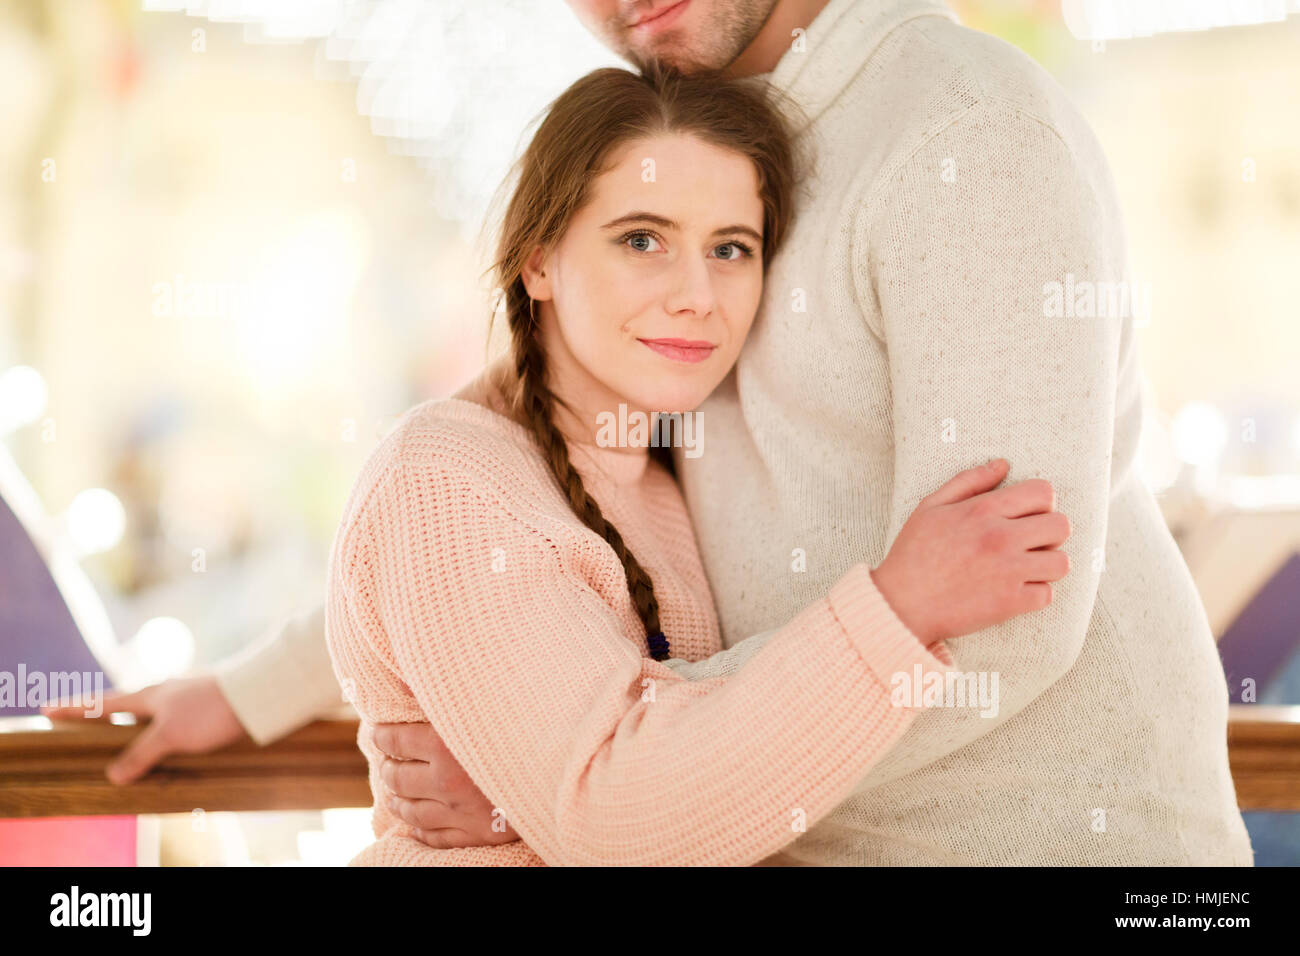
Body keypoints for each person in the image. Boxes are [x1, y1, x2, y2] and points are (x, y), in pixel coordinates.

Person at [50, 0, 1252, 866]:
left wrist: (583, 769)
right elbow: (524, 509)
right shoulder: (695, 157)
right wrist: (256, 691)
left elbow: (1009, 614)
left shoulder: (966, 134)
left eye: (725, 251)